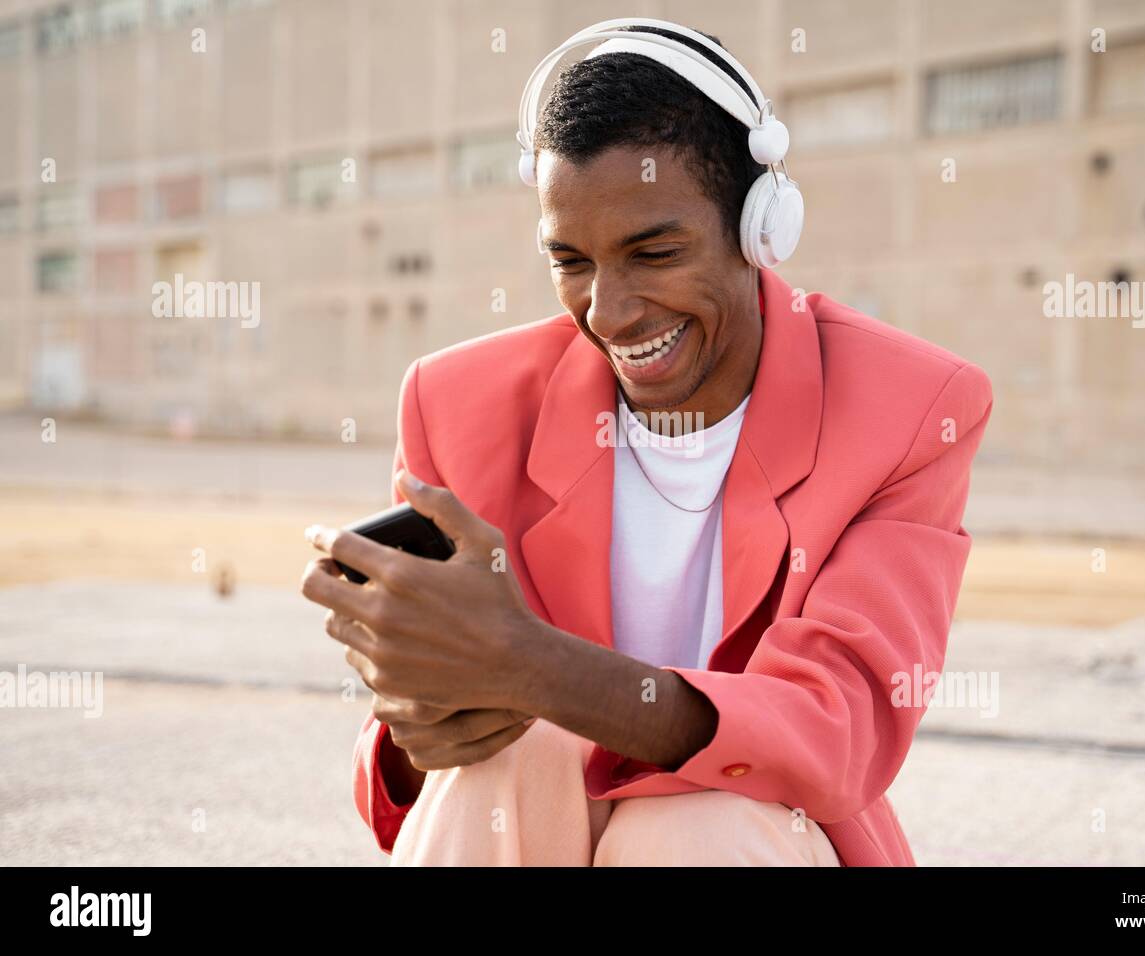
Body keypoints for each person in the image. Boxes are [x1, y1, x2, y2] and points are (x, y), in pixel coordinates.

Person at [301, 18, 993, 866]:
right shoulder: (455, 404)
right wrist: (423, 706)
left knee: (695, 823)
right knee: (506, 762)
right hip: (536, 812)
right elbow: (407, 777)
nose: (609, 312)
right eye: (572, 261)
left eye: (654, 252)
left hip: (758, 834)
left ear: (759, 227)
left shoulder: (911, 409)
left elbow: (837, 730)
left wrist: (534, 666)